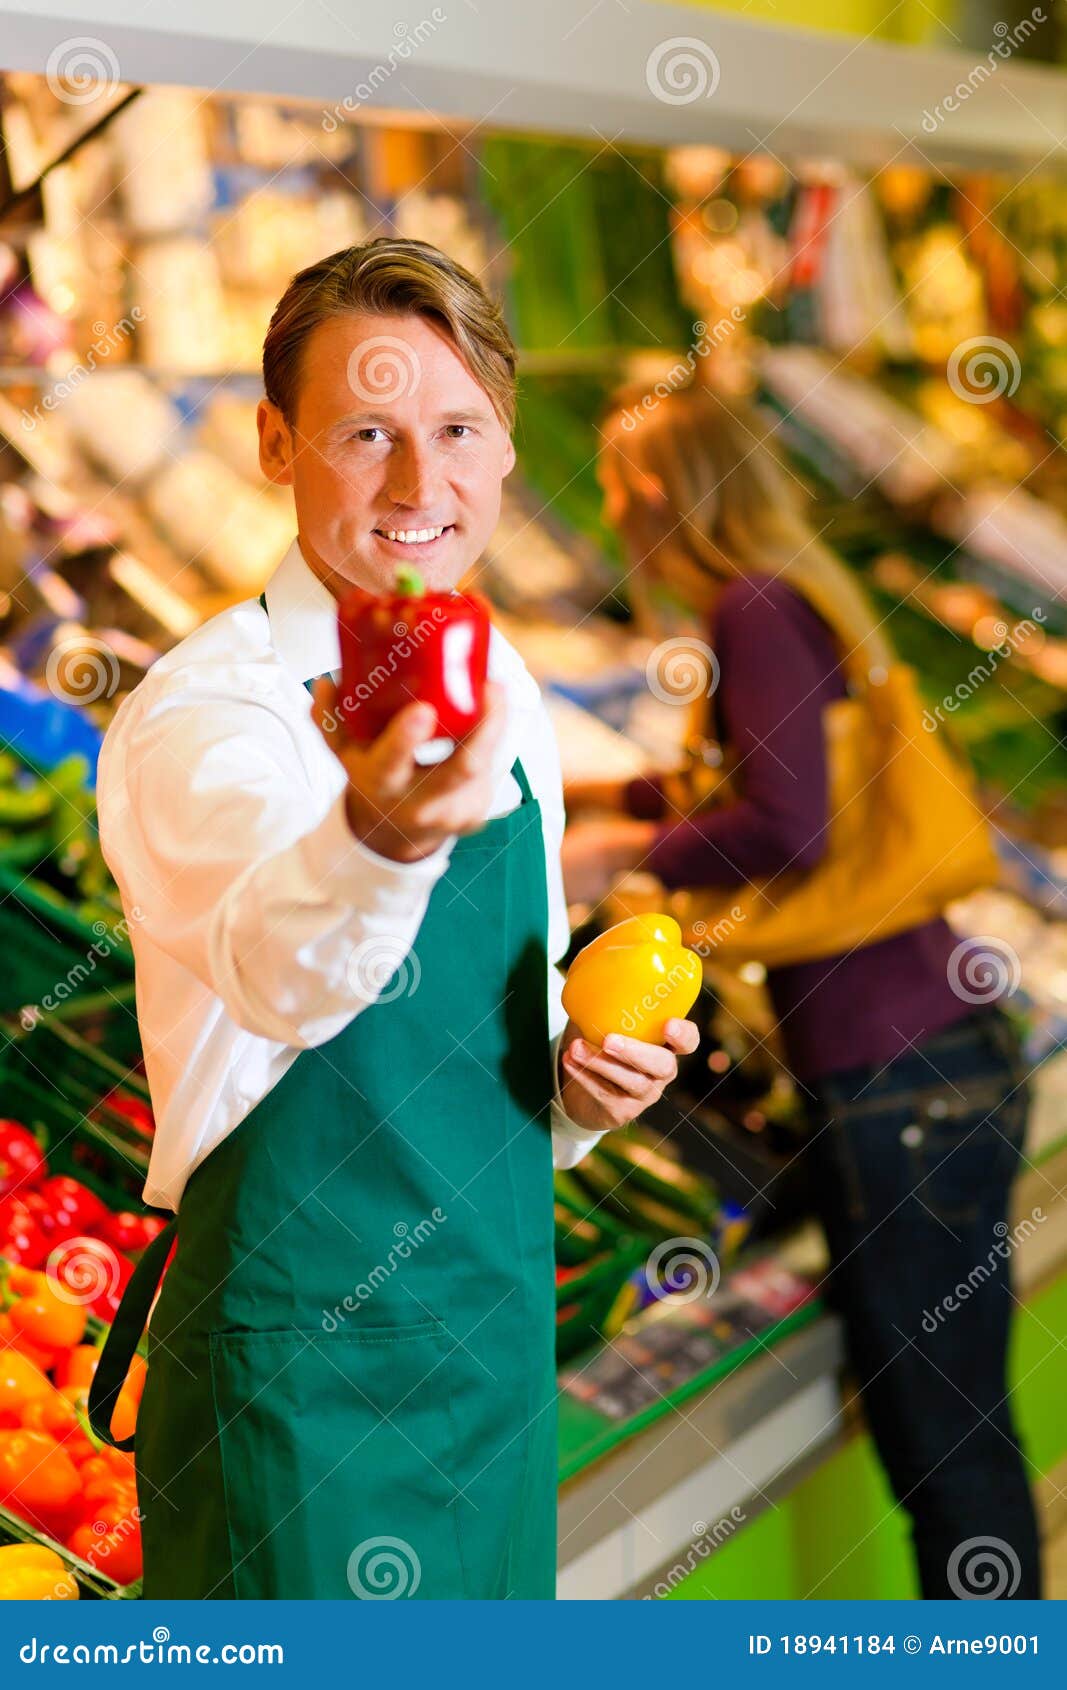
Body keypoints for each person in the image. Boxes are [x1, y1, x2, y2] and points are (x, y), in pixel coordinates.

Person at [87, 240, 699, 1600]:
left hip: (486, 1362)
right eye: (366, 433)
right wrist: (381, 831)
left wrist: (588, 1086)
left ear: (499, 452)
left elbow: (503, 1055)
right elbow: (277, 971)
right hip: (300, 1385)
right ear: (272, 442)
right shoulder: (210, 715)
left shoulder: (512, 697)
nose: (420, 486)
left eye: (457, 431)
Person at [563, 381, 1042, 1600]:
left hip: (899, 1079)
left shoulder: (751, 604)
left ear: (666, 489)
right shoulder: (791, 588)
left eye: (622, 488)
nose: (613, 511)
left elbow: (787, 821)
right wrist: (619, 805)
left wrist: (632, 859)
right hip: (930, 1057)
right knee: (952, 1434)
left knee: (946, 1450)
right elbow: (771, 783)